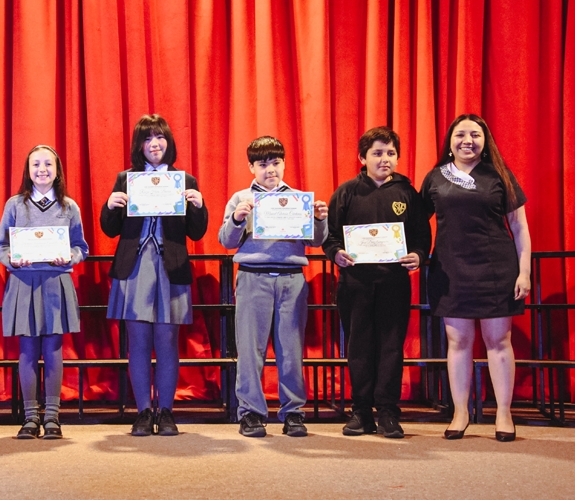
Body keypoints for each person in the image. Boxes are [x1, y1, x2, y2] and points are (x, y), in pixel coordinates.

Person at [421, 114, 531, 442]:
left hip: (496, 269)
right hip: (451, 270)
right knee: (458, 342)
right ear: (450, 141)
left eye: (475, 135)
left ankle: (503, 412)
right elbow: (414, 223)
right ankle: (460, 411)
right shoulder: (435, 178)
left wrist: (524, 271)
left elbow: (520, 227)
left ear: (485, 141)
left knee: (499, 343)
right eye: (460, 134)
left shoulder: (499, 175)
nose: (467, 140)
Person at [100, 114, 208, 436]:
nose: (155, 144)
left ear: (168, 141)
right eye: (148, 139)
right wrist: (110, 205)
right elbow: (110, 229)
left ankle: (167, 411)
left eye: (159, 137)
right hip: (135, 268)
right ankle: (143, 412)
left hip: (170, 266)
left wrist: (199, 206)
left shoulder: (184, 180)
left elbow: (197, 232)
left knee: (167, 342)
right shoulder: (126, 179)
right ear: (140, 145)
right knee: (138, 343)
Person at [323, 127, 431, 439]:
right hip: (354, 283)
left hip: (393, 283)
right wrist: (336, 253)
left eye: (390, 153)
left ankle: (387, 412)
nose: (385, 159)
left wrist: (419, 256)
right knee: (358, 347)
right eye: (377, 153)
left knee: (391, 347)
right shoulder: (346, 192)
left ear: (397, 157)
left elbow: (422, 237)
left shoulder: (408, 194)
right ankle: (360, 411)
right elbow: (330, 236)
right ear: (362, 158)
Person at [218, 136, 328, 438]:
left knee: (291, 350)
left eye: (276, 162)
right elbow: (226, 241)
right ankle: (251, 412)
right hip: (253, 277)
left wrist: (319, 219)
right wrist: (238, 217)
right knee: (250, 350)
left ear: (284, 164)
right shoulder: (241, 197)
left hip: (292, 278)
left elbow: (315, 241)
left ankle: (293, 412)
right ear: (251, 167)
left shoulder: (297, 199)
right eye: (263, 164)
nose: (270, 169)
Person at [0, 145, 89, 439]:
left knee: (53, 349)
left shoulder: (69, 207)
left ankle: (52, 417)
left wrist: (69, 258)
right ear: (28, 170)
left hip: (55, 283)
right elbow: (0, 245)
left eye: (48, 164)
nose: (42, 170)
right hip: (23, 283)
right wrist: (11, 258)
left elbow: (81, 247)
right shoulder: (14, 205)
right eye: (36, 164)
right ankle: (30, 417)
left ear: (58, 170)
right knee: (27, 350)